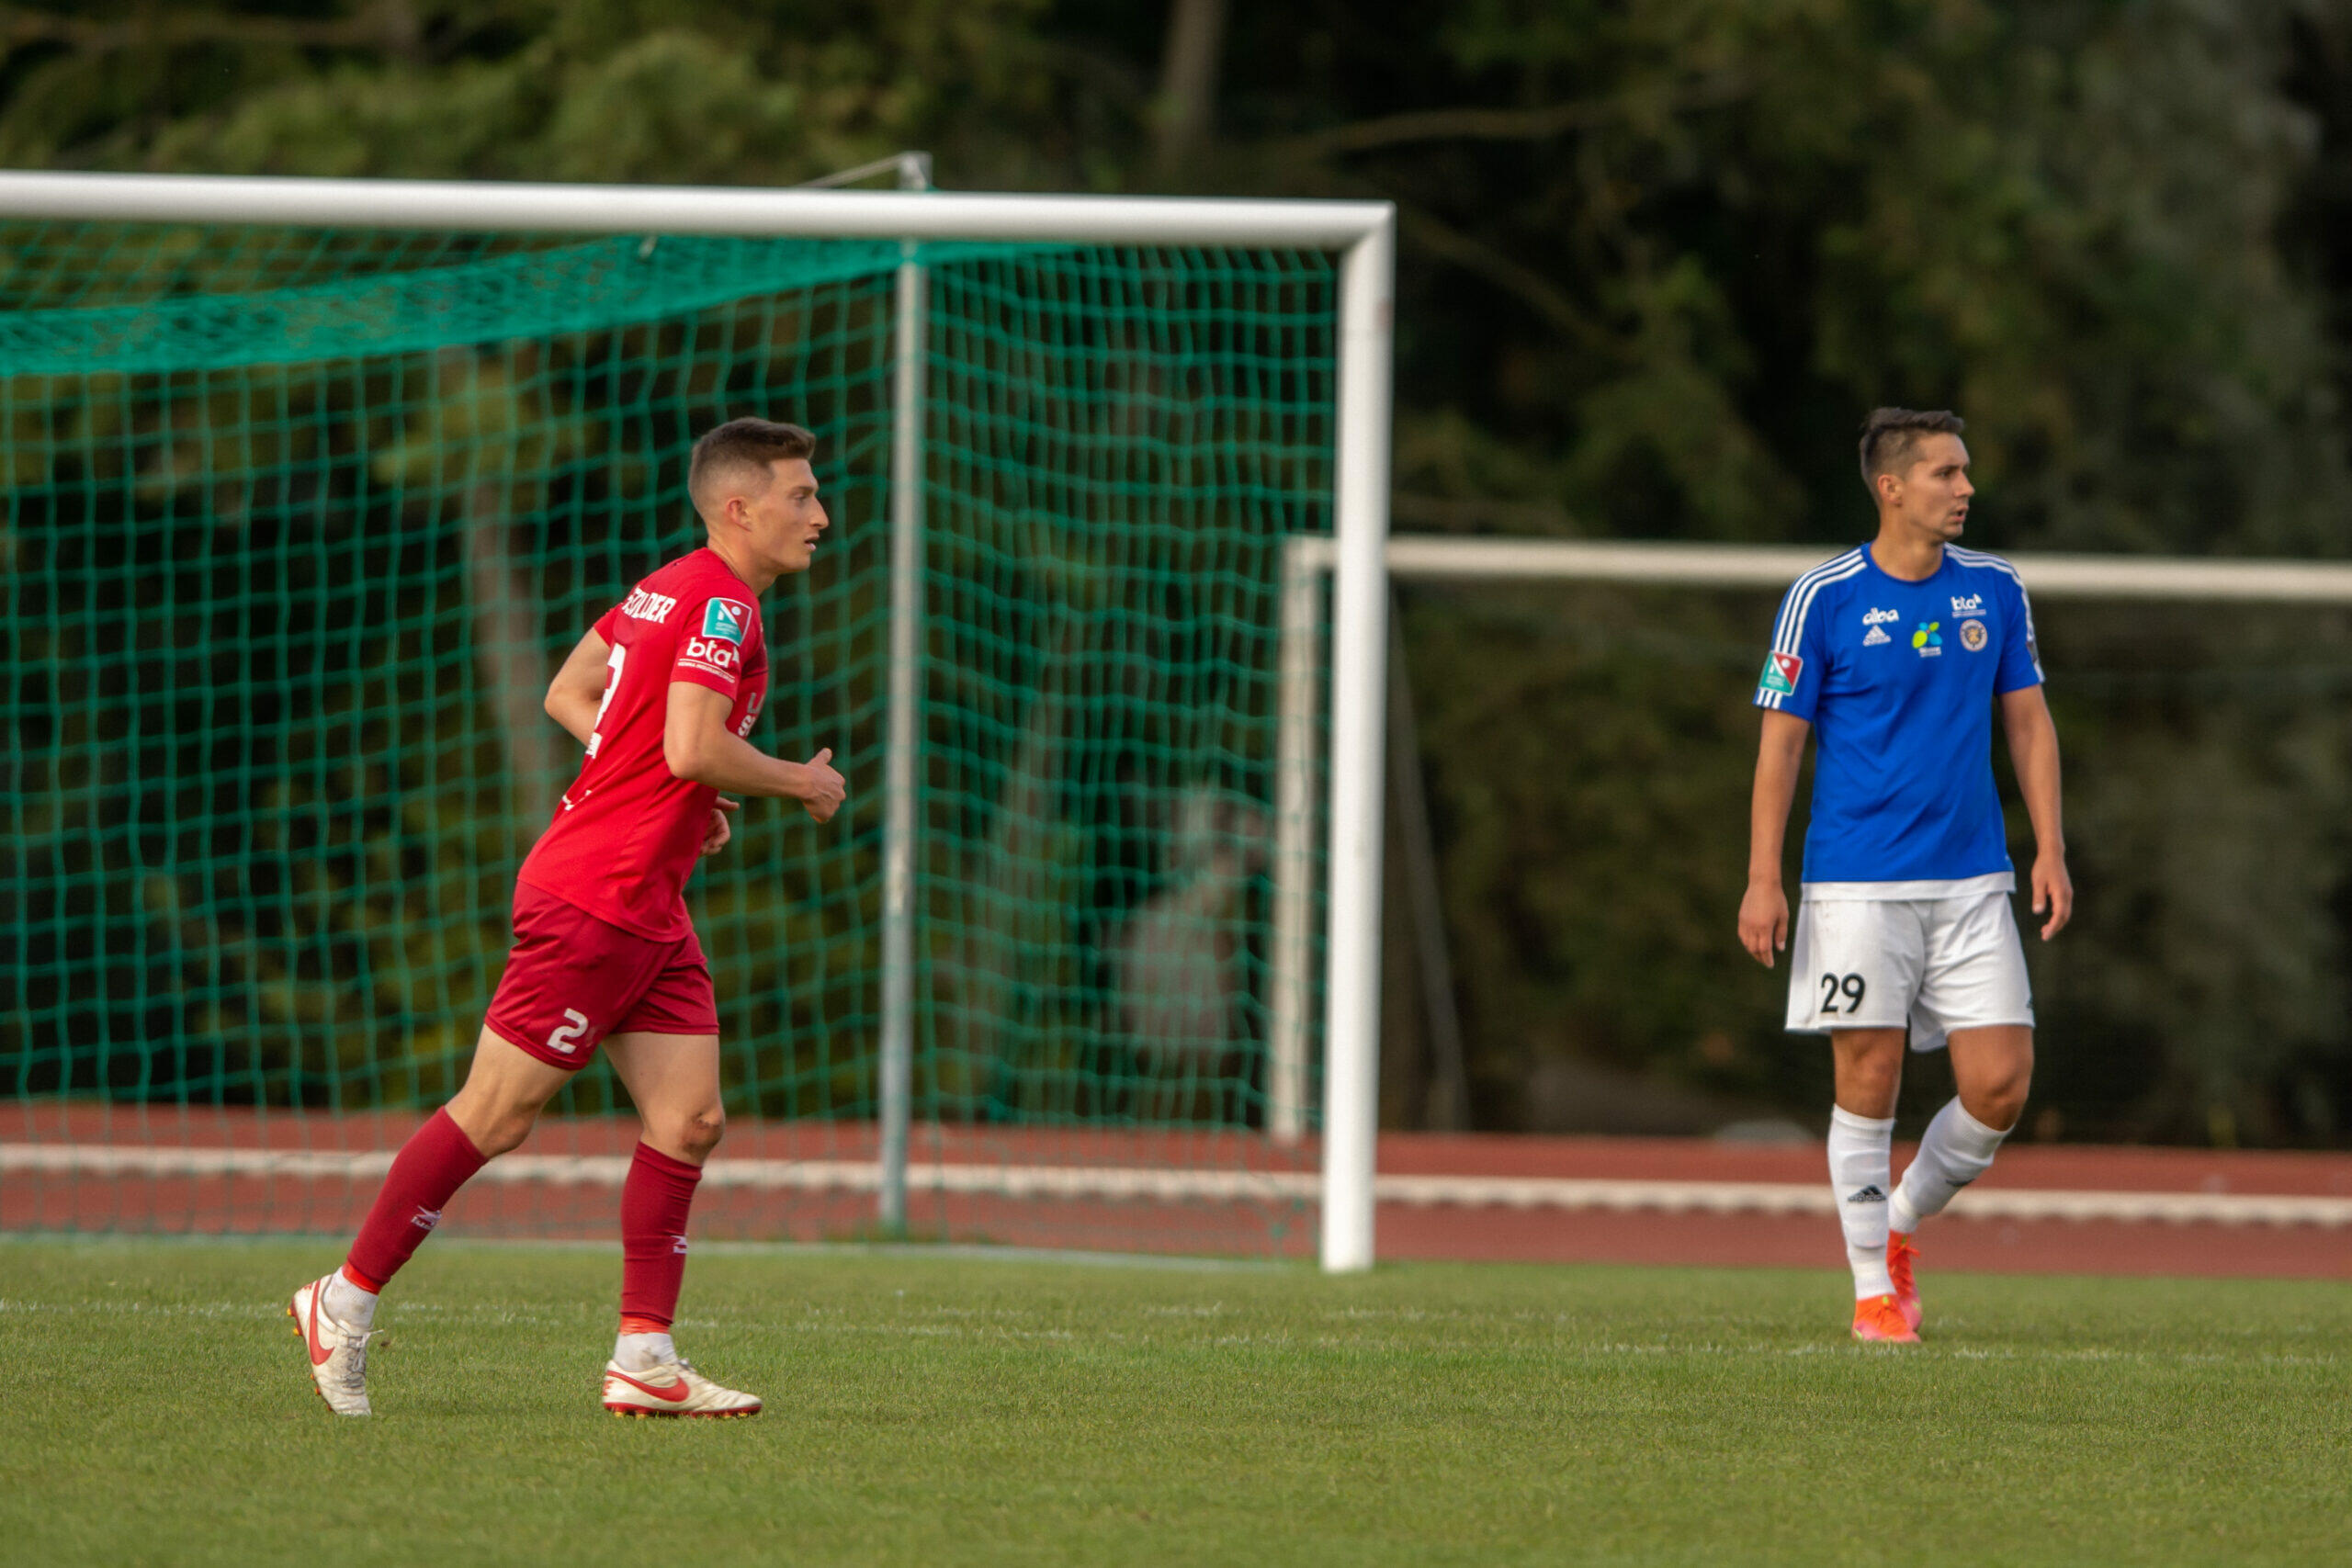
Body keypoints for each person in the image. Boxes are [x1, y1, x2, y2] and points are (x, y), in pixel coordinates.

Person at [288, 417, 846, 1416]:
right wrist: (793, 781)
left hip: (647, 906)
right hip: (597, 896)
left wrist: (680, 790)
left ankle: (645, 1357)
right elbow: (689, 746)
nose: (820, 515)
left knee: (690, 1119)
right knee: (496, 1114)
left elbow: (570, 692)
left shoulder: (665, 586)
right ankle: (345, 1299)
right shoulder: (724, 607)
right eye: (801, 496)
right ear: (738, 508)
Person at [1737, 407, 2072, 1344]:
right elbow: (1780, 745)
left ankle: (1896, 1222)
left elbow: (2028, 723)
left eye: (1963, 473)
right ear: (1891, 488)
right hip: (1854, 884)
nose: (1965, 489)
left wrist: (2048, 845)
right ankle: (1871, 1296)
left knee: (2001, 1084)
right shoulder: (1823, 597)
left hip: (1972, 880)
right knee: (1869, 1076)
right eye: (1944, 474)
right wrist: (1763, 878)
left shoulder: (1996, 590)